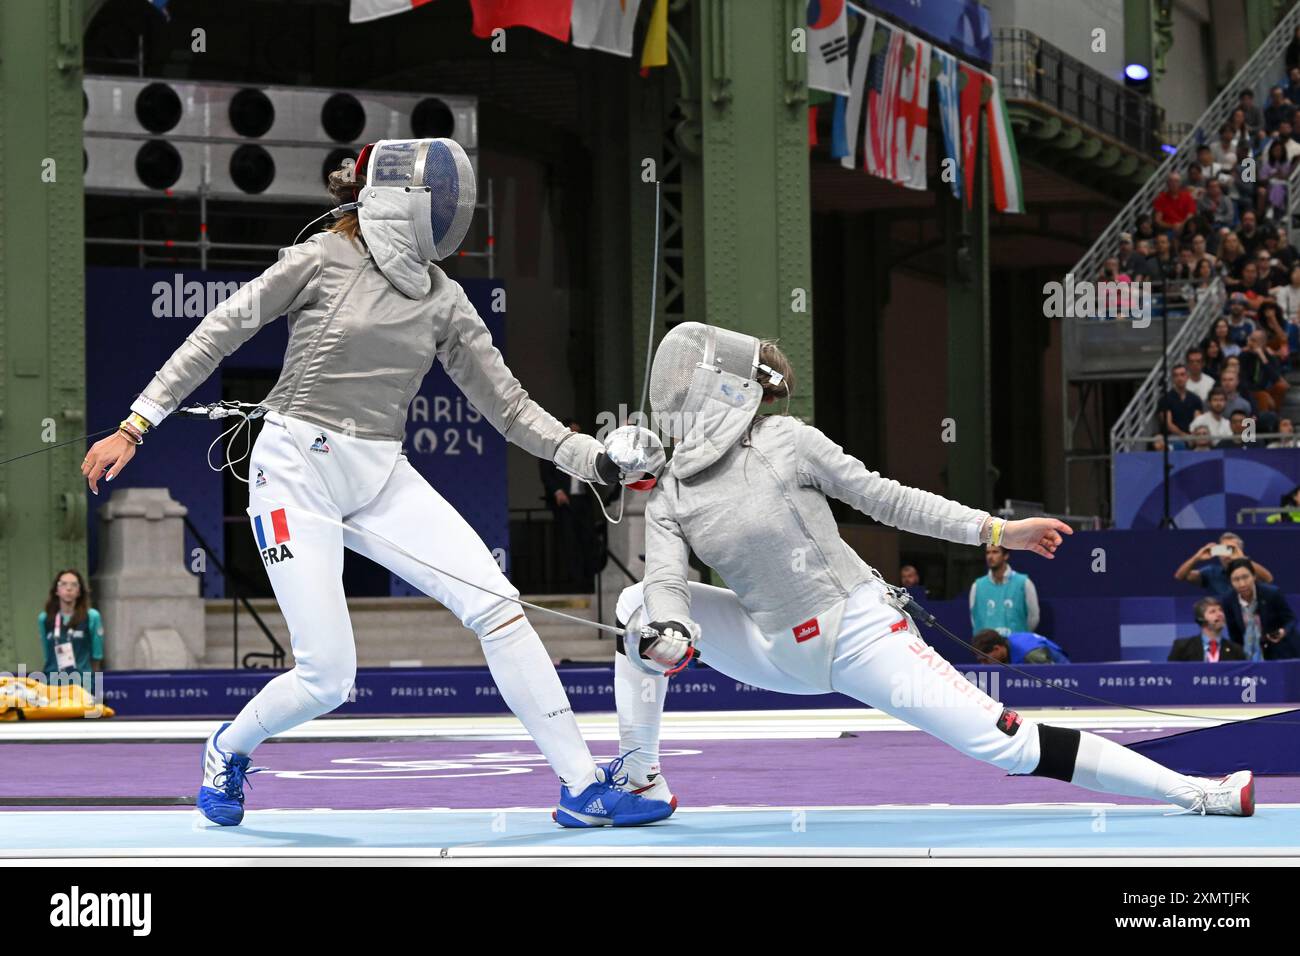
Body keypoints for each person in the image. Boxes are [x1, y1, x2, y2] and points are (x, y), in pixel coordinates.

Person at [80, 140, 670, 830]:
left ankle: (579, 785)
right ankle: (226, 748)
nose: (452, 213)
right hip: (293, 474)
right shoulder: (321, 259)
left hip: (381, 474)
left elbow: (509, 408)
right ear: (400, 198)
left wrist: (593, 458)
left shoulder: (446, 301)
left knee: (499, 605)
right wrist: (136, 423)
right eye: (441, 199)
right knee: (327, 677)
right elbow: (220, 331)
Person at [611, 323, 1253, 818]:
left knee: (1009, 744)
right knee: (636, 602)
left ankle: (1199, 793)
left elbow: (891, 499)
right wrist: (668, 627)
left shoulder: (787, 441)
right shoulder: (670, 490)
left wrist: (1000, 531)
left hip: (858, 634)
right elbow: (665, 579)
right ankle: (641, 781)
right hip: (771, 648)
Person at [538, 419, 603, 591]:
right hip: (565, 502)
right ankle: (577, 581)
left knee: (588, 538)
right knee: (570, 541)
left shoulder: (584, 451)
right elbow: (546, 473)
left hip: (583, 500)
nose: (577, 436)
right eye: (573, 432)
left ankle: (591, 579)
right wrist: (557, 491)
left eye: (579, 433)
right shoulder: (554, 448)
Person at [38, 569, 104, 691]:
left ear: (79, 591)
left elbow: (96, 657)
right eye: (63, 584)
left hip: (82, 685)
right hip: (52, 684)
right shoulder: (45, 618)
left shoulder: (92, 616)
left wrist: (93, 685)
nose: (69, 588)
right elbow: (48, 655)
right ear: (56, 591)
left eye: (74, 585)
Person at [1221, 558, 1299, 660]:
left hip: (1280, 651)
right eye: (1236, 579)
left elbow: (1291, 619)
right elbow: (1234, 635)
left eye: (1245, 577)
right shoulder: (1228, 601)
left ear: (1254, 576)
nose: (1242, 584)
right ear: (1230, 582)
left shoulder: (1271, 593)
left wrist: (1283, 631)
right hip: (1249, 653)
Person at [1174, 532, 1274, 599]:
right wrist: (1197, 557)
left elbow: (1268, 578)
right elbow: (1180, 576)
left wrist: (1241, 558)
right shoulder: (1211, 572)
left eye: (1231, 549)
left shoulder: (1250, 572)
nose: (1227, 554)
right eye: (1224, 549)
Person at [970, 544, 1040, 636]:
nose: (990, 556)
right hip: (986, 647)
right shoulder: (977, 586)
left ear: (1006, 555)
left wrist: (1020, 634)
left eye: (995, 552)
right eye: (988, 553)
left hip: (1016, 645)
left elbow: (1033, 617)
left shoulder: (1024, 583)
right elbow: (974, 618)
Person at [1167, 598, 1246, 662]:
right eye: (1212, 611)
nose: (1220, 614)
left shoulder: (1236, 650)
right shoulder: (1182, 647)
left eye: (1220, 610)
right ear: (1200, 619)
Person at [1156, 363, 1203, 442]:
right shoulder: (1165, 399)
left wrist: (1192, 437)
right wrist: (1185, 436)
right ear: (1172, 378)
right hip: (1172, 439)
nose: (1179, 378)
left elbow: (1197, 422)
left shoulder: (1195, 399)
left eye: (1182, 374)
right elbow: (1168, 424)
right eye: (1176, 375)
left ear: (1187, 377)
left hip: (1192, 438)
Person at [972, 629, 1069, 665]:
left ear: (997, 648)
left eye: (985, 660)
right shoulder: (1006, 642)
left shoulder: (1031, 655)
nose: (983, 665)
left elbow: (1053, 678)